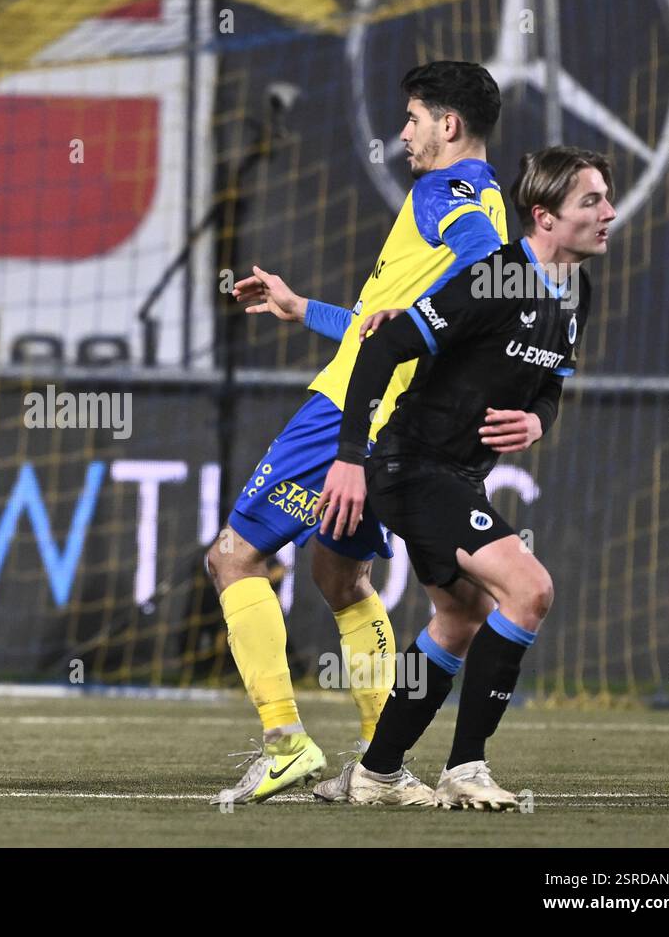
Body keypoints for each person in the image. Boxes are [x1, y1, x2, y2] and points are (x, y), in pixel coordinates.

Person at [211, 61, 506, 804]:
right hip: (395, 419)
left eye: (412, 119)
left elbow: (486, 267)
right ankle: (383, 766)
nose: (402, 134)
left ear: (449, 125)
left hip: (344, 412)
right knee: (340, 578)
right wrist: (299, 305)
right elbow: (384, 330)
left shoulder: (446, 191)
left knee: (233, 558)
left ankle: (285, 743)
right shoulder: (489, 196)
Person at [314, 146, 615, 808]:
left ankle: (378, 771)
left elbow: (552, 387)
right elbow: (383, 343)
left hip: (457, 475)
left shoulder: (577, 290)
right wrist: (349, 456)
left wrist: (538, 420)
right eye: (591, 200)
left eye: (606, 198)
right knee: (530, 589)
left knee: (461, 615)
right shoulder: (495, 278)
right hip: (412, 466)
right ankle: (465, 767)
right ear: (542, 215)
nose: (608, 213)